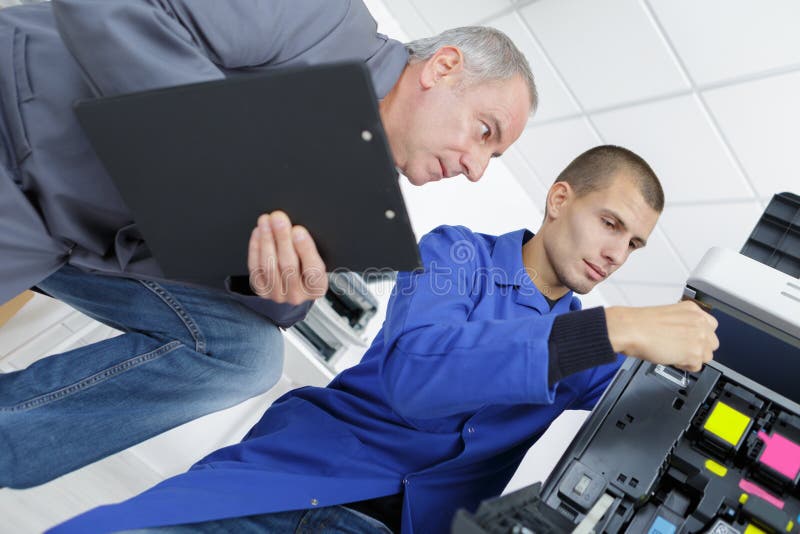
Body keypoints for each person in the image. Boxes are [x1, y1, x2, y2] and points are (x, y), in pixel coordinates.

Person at [0, 1, 535, 488]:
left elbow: (257, 282)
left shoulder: (359, 189)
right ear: (443, 68)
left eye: (492, 159)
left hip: (76, 234)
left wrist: (279, 290)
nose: (475, 168)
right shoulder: (322, 18)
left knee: (247, 355)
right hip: (24, 131)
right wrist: (234, 158)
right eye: (484, 133)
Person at [51, 146, 719, 534]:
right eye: (609, 223)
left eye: (632, 244)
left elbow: (671, 422)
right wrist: (613, 328)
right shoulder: (456, 256)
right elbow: (420, 376)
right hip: (294, 485)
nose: (616, 254)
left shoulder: (596, 354)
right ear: (559, 198)